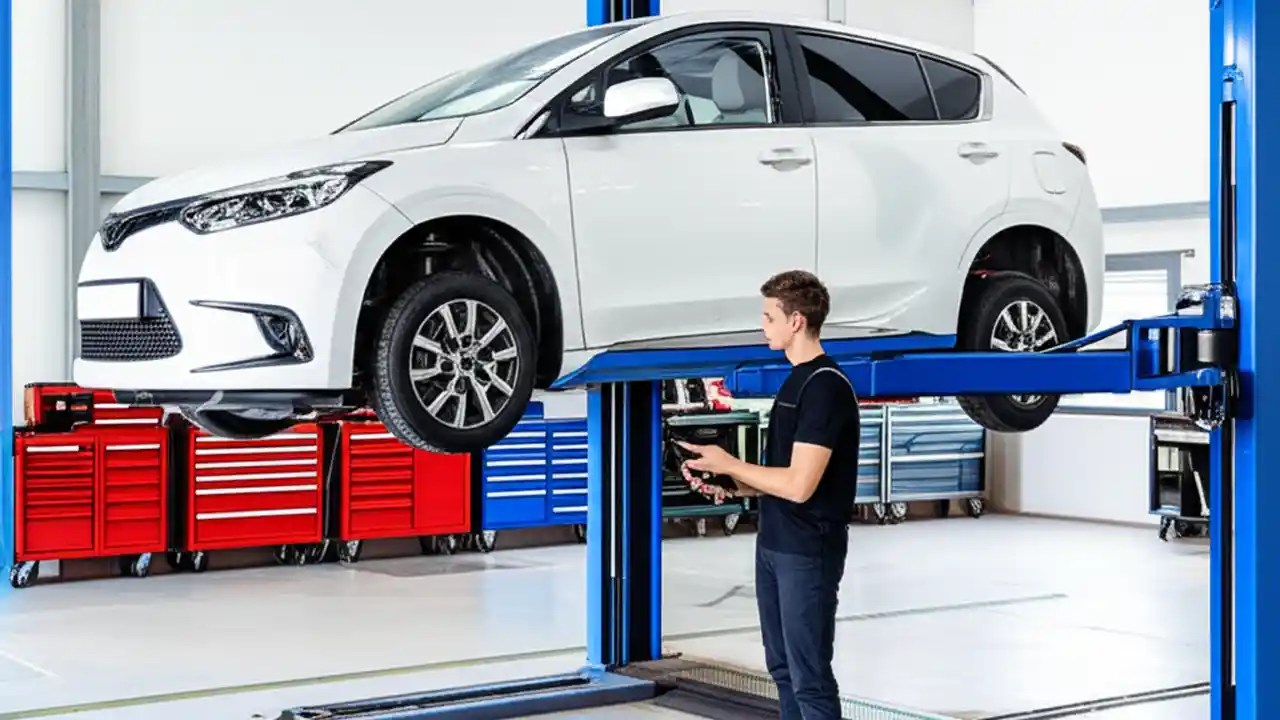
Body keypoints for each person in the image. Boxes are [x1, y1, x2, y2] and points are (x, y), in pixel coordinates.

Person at [677, 270, 860, 720]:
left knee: (809, 676)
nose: (763, 325)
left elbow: (800, 485)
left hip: (807, 549)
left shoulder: (826, 388)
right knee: (782, 668)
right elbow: (780, 476)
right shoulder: (795, 381)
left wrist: (732, 464)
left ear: (796, 321)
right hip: (776, 544)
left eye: (768, 316)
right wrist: (726, 481)